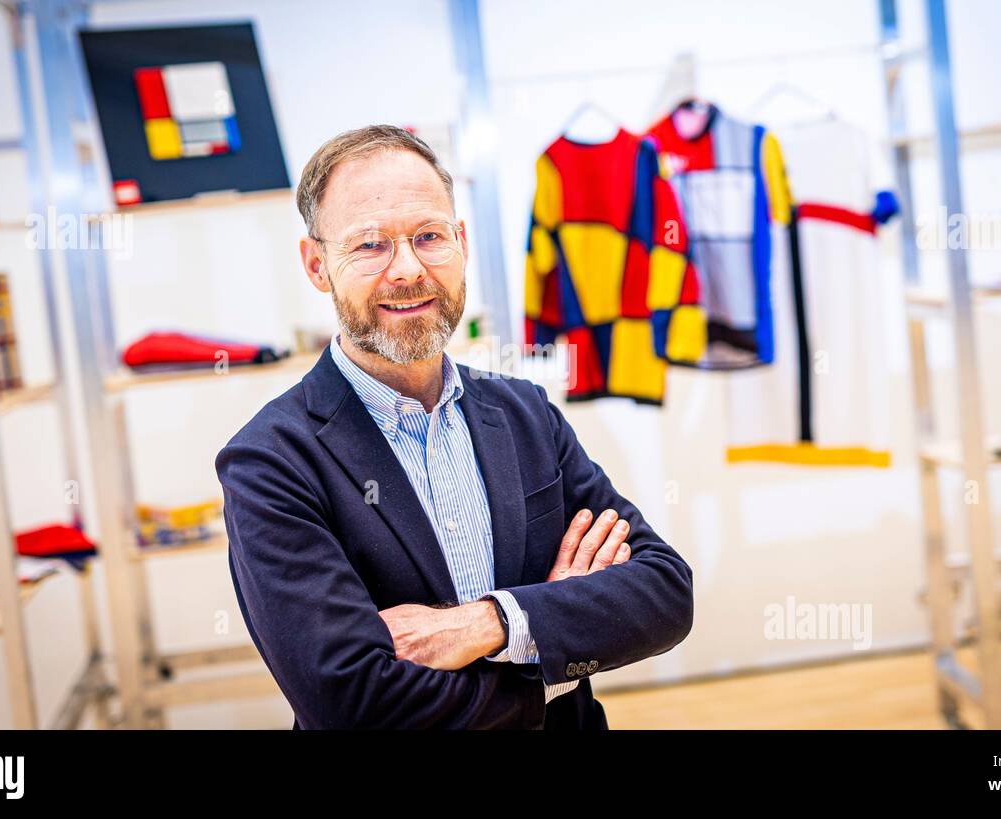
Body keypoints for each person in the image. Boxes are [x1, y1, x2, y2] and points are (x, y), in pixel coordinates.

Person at [216, 125, 693, 729]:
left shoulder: (526, 414)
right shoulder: (269, 462)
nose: (408, 270)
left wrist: (489, 623)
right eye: (370, 245)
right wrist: (548, 652)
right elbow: (350, 701)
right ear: (317, 264)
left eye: (428, 236)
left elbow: (664, 592)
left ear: (461, 242)